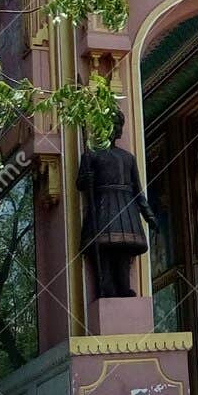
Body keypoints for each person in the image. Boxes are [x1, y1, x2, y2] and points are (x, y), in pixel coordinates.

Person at [77, 109, 158, 299]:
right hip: (102, 206)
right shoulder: (91, 156)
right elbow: (80, 184)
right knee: (104, 250)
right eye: (110, 126)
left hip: (125, 208)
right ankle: (106, 288)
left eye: (117, 126)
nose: (114, 130)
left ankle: (123, 287)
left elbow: (137, 191)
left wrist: (149, 215)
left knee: (123, 250)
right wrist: (87, 178)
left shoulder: (128, 158)